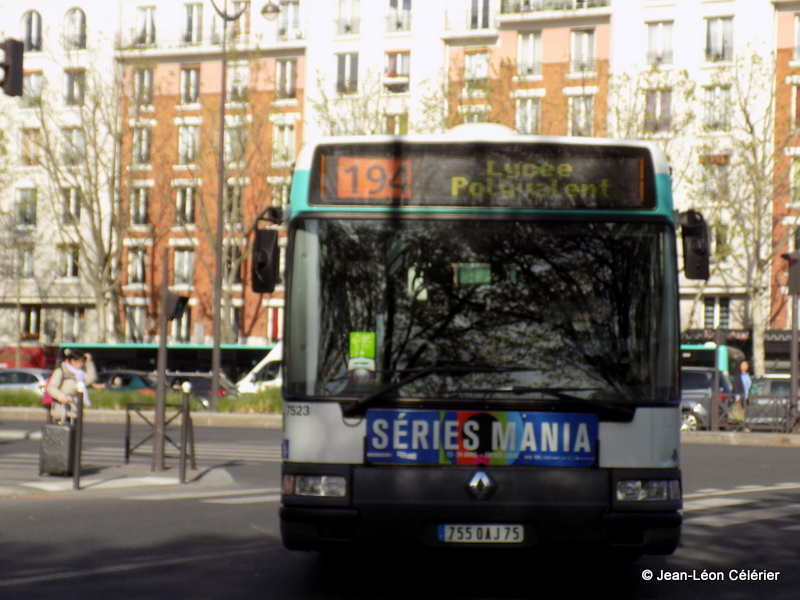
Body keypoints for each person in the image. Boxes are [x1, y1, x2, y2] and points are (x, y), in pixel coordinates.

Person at [46, 349, 97, 423]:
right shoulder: (61, 371)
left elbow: (91, 378)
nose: (82, 364)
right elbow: (51, 388)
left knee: (75, 433)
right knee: (63, 433)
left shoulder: (79, 374)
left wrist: (89, 363)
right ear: (73, 361)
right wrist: (61, 397)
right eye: (80, 361)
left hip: (75, 410)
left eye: (83, 362)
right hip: (62, 410)